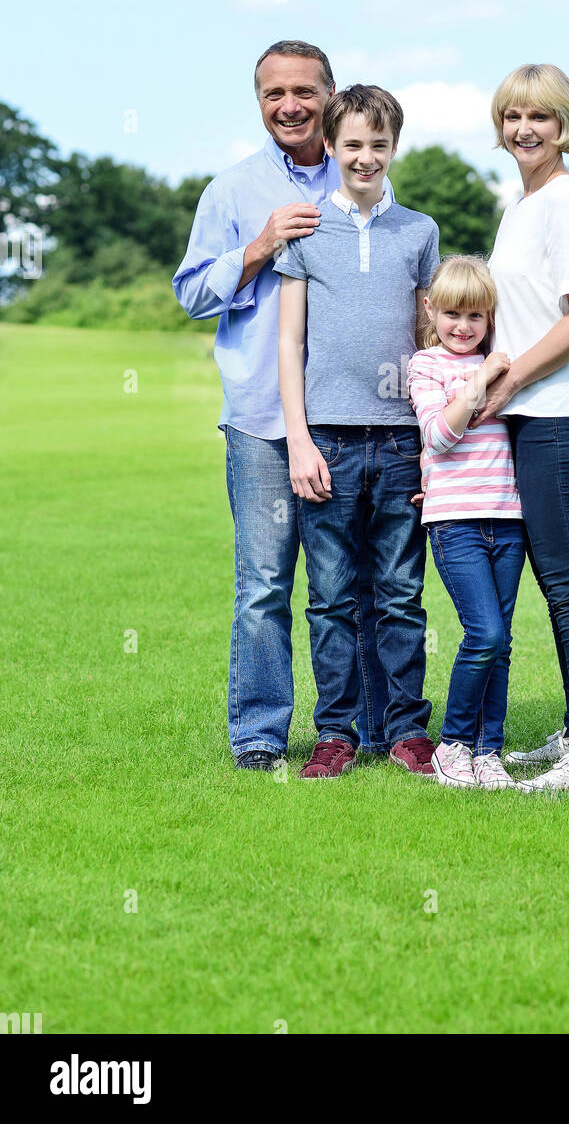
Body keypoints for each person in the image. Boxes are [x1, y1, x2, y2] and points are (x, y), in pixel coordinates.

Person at [172, 41, 390, 770]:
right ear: (258, 102)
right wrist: (260, 246)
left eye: (304, 91)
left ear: (330, 95)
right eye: (274, 94)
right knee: (264, 584)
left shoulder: (361, 171)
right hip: (263, 420)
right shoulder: (231, 191)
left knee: (352, 584)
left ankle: (355, 729)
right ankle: (260, 735)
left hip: (348, 418)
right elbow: (192, 293)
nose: (290, 106)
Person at [276, 84, 440, 778]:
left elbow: (433, 341)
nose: (365, 157)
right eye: (352, 145)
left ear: (392, 147)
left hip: (402, 442)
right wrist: (299, 440)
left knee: (402, 597)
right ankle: (335, 734)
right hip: (330, 444)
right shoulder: (309, 229)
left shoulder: (419, 232)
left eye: (378, 144)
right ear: (333, 148)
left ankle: (405, 731)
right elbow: (289, 344)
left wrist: (434, 448)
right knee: (331, 599)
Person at [478, 63, 569, 792]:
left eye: (540, 116)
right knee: (556, 584)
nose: (524, 129)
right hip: (531, 415)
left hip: (563, 416)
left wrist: (506, 381)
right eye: (512, 117)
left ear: (565, 124)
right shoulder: (521, 207)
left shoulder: (568, 199)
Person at [408, 256, 525, 791]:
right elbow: (439, 436)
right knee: (485, 634)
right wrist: (482, 375)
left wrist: (496, 369)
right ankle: (452, 745)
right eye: (453, 313)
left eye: (475, 317)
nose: (463, 326)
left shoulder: (506, 364)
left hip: (508, 518)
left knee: (500, 643)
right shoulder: (426, 366)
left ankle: (488, 750)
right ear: (432, 311)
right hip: (454, 521)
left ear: (490, 318)